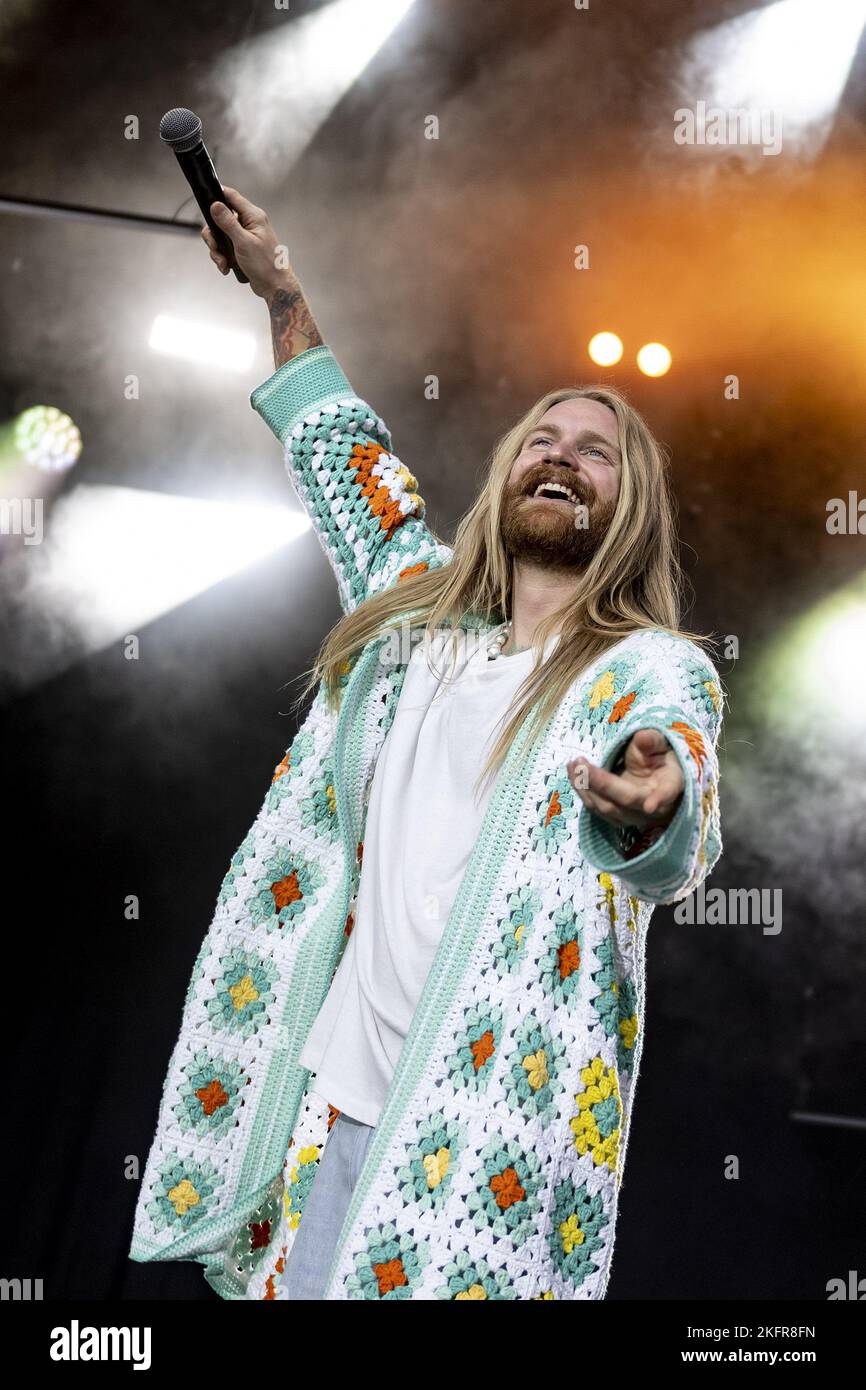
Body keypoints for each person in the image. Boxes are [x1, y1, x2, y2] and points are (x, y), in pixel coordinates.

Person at [128, 187, 724, 1301]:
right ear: (502, 480)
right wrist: (282, 289)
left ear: (628, 504)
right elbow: (336, 443)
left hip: (483, 1138)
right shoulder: (414, 618)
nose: (559, 457)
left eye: (594, 453)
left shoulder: (644, 670)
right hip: (333, 1109)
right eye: (539, 440)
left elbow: (676, 805)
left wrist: (657, 801)